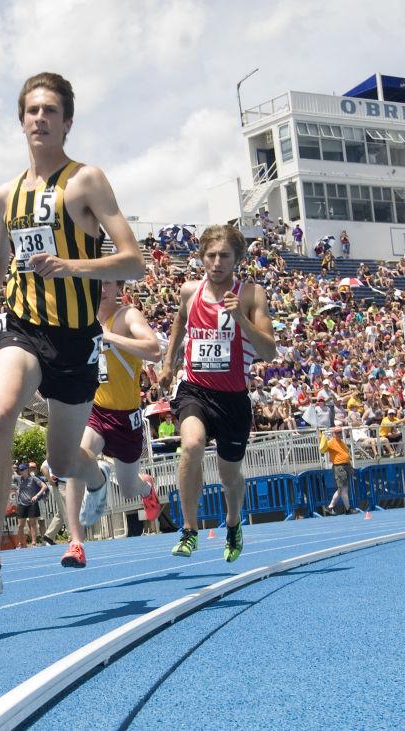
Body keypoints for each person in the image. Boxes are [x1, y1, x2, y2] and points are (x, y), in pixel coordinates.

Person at [0, 73, 145, 603]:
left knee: (64, 463)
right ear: (21, 120)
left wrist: (71, 265)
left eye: (50, 111)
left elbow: (135, 262)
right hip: (21, 328)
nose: (40, 119)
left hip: (74, 341)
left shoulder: (86, 181)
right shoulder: (6, 194)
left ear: (66, 122)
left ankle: (97, 479)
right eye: (32, 110)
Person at [157, 225, 277, 562]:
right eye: (210, 255)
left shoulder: (252, 294)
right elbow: (180, 321)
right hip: (195, 389)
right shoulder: (189, 291)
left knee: (229, 476)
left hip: (233, 398)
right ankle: (190, 530)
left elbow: (269, 352)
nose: (217, 262)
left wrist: (239, 316)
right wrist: (169, 362)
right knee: (191, 445)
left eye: (224, 255)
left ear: (237, 258)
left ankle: (233, 521)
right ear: (201, 258)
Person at [62, 279, 163, 568]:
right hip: (96, 409)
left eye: (108, 283)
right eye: (97, 282)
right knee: (74, 462)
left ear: (118, 287)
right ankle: (76, 542)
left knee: (129, 486)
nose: (102, 288)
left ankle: (146, 488)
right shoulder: (81, 320)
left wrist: (110, 337)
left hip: (126, 416)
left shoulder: (127, 315)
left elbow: (154, 350)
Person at [320, 425, 354, 515]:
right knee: (344, 489)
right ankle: (348, 509)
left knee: (340, 490)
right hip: (339, 467)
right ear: (333, 434)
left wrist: (349, 465)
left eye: (340, 432)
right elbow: (322, 450)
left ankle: (330, 507)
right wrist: (324, 438)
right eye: (337, 432)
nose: (339, 434)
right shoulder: (331, 442)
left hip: (345, 466)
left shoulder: (341, 442)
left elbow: (345, 453)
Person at [14, 463, 47, 548]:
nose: (21, 472)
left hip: (32, 503)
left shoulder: (33, 478)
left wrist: (37, 495)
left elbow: (44, 486)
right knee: (20, 525)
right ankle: (21, 544)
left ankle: (33, 542)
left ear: (27, 470)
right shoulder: (18, 478)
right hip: (21, 504)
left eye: (22, 470)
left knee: (33, 524)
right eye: (20, 470)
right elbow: (8, 477)